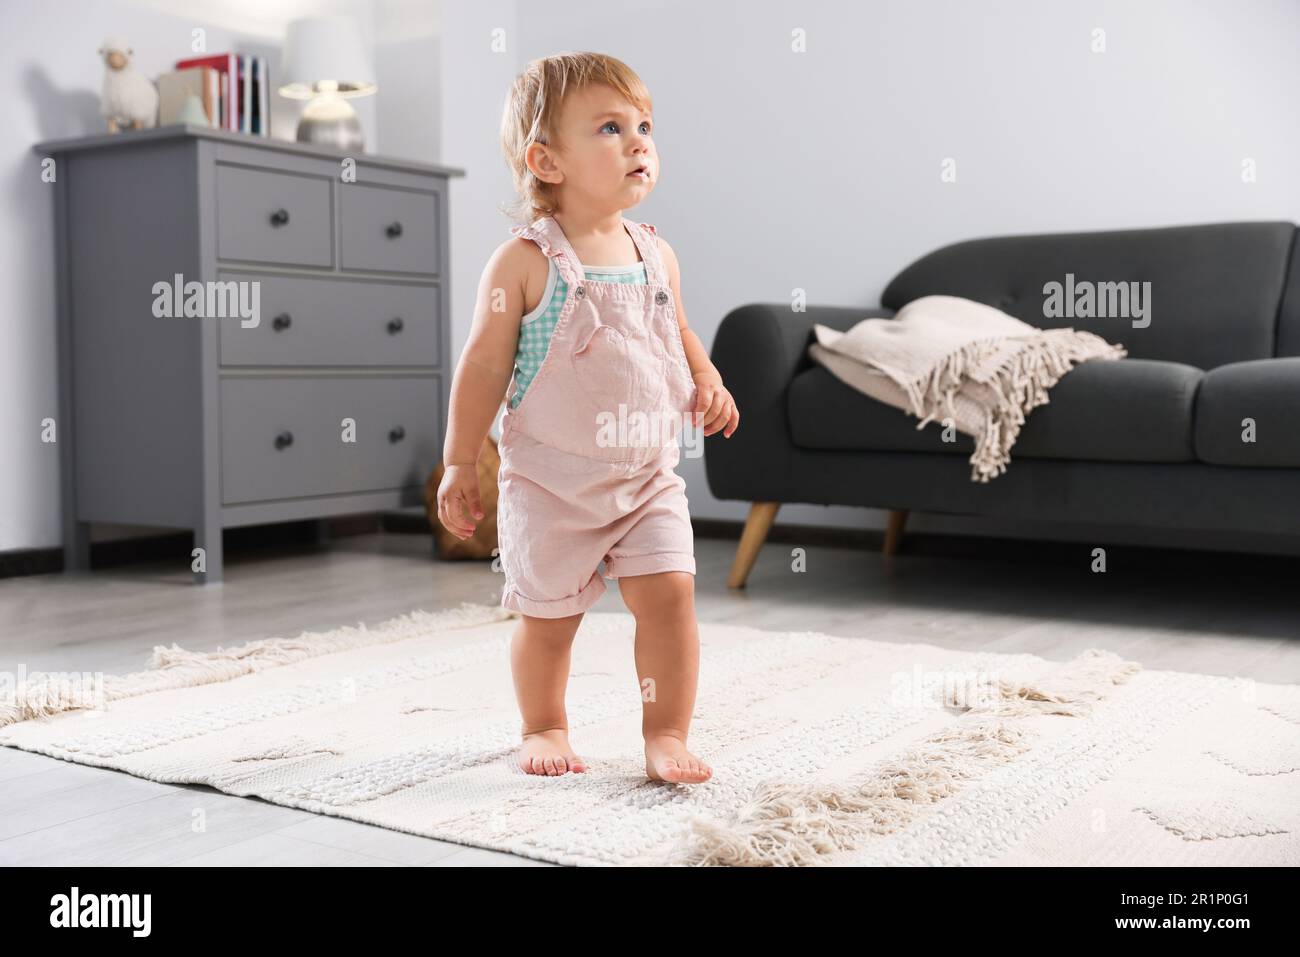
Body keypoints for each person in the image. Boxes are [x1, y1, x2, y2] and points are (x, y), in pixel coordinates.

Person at [437, 52, 739, 783]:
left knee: (671, 596)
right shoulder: (523, 263)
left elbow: (680, 331)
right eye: (610, 126)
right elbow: (481, 366)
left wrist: (706, 376)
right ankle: (544, 722)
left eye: (644, 125)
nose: (639, 141)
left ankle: (665, 730)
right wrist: (457, 458)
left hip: (645, 479)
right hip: (551, 486)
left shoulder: (655, 253)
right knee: (549, 622)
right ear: (547, 161)